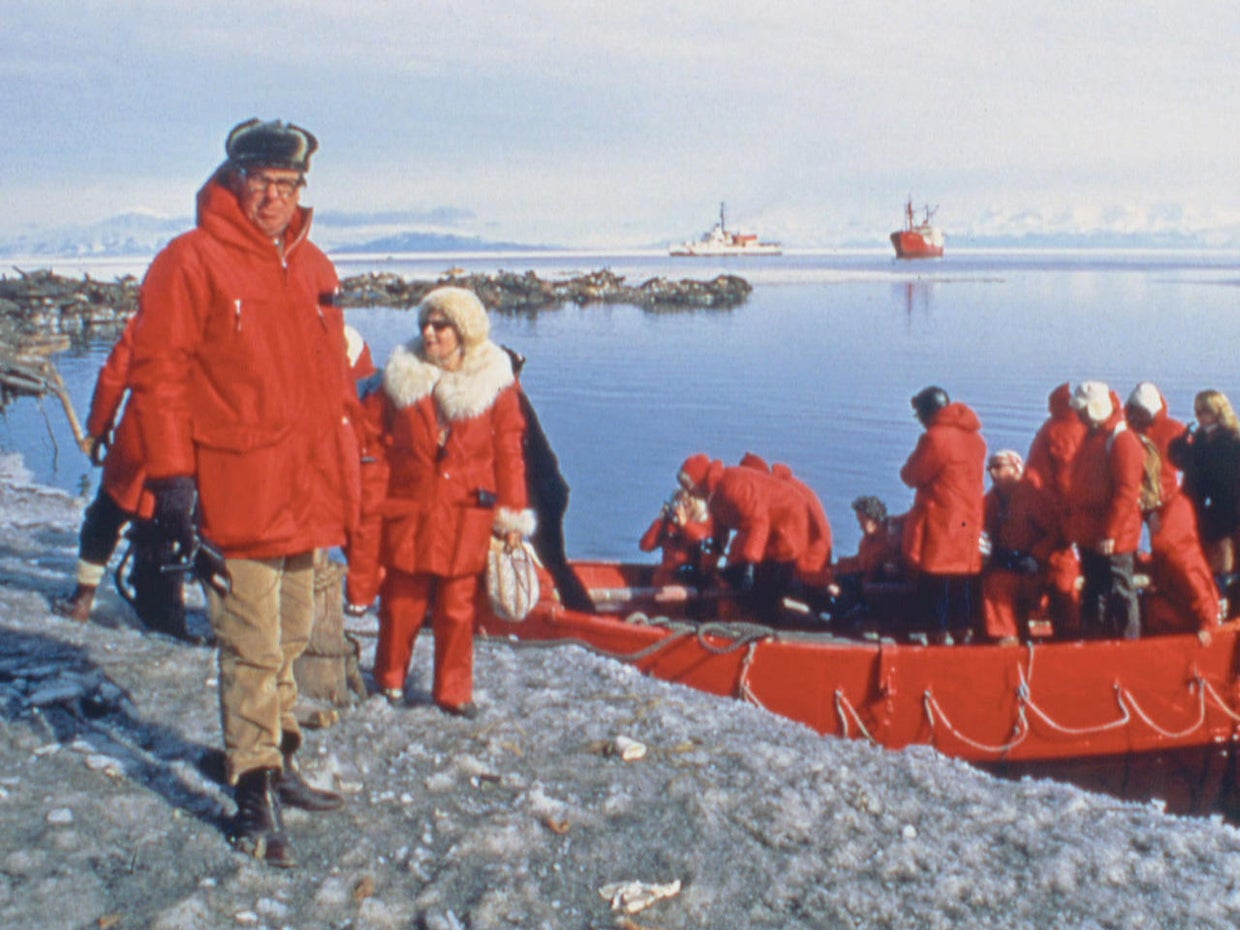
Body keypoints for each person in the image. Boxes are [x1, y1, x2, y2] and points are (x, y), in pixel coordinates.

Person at [125, 118, 351, 868]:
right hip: (237, 493)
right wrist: (174, 483)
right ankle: (251, 789)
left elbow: (331, 390)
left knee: (290, 637)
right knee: (251, 645)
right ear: (234, 178)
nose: (276, 198)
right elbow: (158, 378)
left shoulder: (315, 266)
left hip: (305, 492)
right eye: (263, 182)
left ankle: (281, 762)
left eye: (289, 185)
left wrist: (352, 476)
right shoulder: (189, 262)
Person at [372, 286, 533, 718]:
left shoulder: (496, 384)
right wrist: (373, 499)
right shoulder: (401, 376)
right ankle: (389, 678)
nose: (429, 333)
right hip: (411, 511)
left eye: (440, 325)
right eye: (425, 324)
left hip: (467, 515)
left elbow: (510, 453)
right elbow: (376, 441)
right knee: (401, 602)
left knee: (458, 608)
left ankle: (454, 692)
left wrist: (512, 516)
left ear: (463, 331)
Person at [52, 315, 189, 639]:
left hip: (138, 442)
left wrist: (98, 429)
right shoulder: (218, 324)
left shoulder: (149, 320)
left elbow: (113, 377)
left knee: (104, 517)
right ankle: (170, 618)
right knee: (167, 531)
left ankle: (82, 599)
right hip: (185, 449)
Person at [1124, 382, 1219, 638]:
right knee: (1167, 557)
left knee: (1178, 556)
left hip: (1167, 503)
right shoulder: (1128, 430)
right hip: (1155, 505)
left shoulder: (1173, 431)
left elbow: (1190, 570)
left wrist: (1207, 624)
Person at [899, 386, 987, 644]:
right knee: (962, 581)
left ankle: (937, 641)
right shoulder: (976, 440)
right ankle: (962, 636)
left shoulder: (936, 439)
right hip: (969, 519)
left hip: (942, 519)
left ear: (928, 412)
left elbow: (911, 475)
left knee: (934, 582)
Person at [677, 452, 810, 620]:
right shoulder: (715, 497)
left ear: (697, 482)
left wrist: (749, 565)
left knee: (768, 584)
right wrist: (710, 564)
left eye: (688, 485)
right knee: (744, 577)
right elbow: (720, 531)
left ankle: (771, 622)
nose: (688, 492)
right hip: (770, 528)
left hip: (789, 521)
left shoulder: (732, 487)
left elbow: (759, 521)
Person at [1065, 381, 1144, 640]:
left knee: (1120, 590)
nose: (1079, 416)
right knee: (1095, 589)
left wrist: (1110, 533)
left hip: (1114, 535)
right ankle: (1095, 639)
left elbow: (1126, 492)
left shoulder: (1122, 440)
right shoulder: (1095, 437)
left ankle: (1127, 644)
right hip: (1092, 532)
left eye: (1083, 411)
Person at [1024, 382, 1087, 638]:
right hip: (1073, 516)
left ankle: (1059, 629)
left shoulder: (1051, 431)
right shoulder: (1085, 431)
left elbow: (1037, 476)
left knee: (1057, 569)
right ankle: (1071, 631)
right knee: (1066, 574)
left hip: (1052, 513)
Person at [1169, 389, 1240, 610]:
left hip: (1227, 509)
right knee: (1208, 557)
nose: (1200, 415)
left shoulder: (1231, 440)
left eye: (1205, 410)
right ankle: (1214, 602)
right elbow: (1191, 468)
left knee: (1225, 560)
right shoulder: (1200, 437)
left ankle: (1228, 604)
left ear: (1218, 411)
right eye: (1197, 410)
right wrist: (1179, 449)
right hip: (1203, 508)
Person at [980, 450, 1058, 644]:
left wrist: (1037, 556)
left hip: (1032, 562)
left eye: (999, 467)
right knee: (993, 581)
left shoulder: (1032, 495)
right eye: (990, 468)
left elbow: (1054, 532)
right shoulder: (993, 498)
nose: (992, 473)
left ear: (1016, 469)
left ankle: (1036, 639)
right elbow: (973, 520)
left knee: (1005, 586)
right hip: (1006, 560)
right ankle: (1006, 637)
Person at [342, 324, 386, 617]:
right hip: (361, 467)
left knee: (362, 534)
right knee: (358, 535)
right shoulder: (379, 385)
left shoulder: (369, 391)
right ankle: (370, 587)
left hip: (369, 470)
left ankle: (361, 596)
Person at [827, 495, 904, 622]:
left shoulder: (889, 541)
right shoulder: (868, 539)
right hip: (864, 578)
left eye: (862, 522)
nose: (860, 526)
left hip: (873, 585)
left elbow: (870, 568)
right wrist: (838, 567)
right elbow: (860, 561)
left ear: (874, 520)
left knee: (846, 585)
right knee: (837, 577)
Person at [639, 488, 718, 587]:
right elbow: (645, 546)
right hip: (665, 576)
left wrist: (685, 524)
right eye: (679, 503)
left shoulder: (706, 523)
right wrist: (660, 523)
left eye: (687, 504)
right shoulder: (668, 525)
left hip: (692, 578)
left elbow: (702, 538)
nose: (681, 508)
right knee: (660, 580)